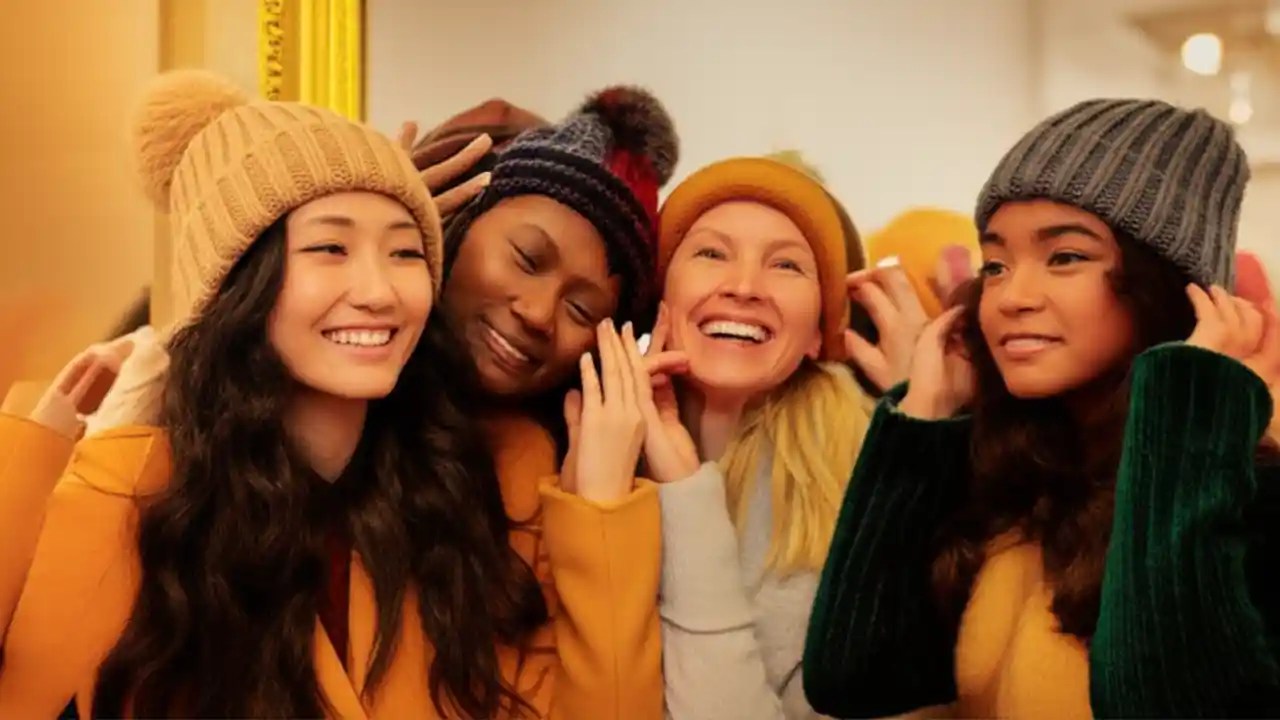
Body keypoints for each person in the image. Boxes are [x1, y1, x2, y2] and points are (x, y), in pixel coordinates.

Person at [0, 70, 663, 719]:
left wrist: (604, 510)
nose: (377, 290)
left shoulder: (467, 495)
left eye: (404, 253)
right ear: (245, 284)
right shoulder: (132, 485)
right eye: (330, 248)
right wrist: (38, 448)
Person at [804, 98, 1280, 718]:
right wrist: (925, 415)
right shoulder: (1014, 483)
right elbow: (854, 678)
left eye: (1066, 257)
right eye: (995, 264)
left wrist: (1187, 407)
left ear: (1165, 284)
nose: (1010, 297)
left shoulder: (1253, 497)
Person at [630, 156, 927, 719]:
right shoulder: (591, 442)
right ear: (659, 295)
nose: (744, 287)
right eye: (711, 253)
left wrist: (686, 494)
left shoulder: (858, 488)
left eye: (786, 266)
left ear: (819, 330)